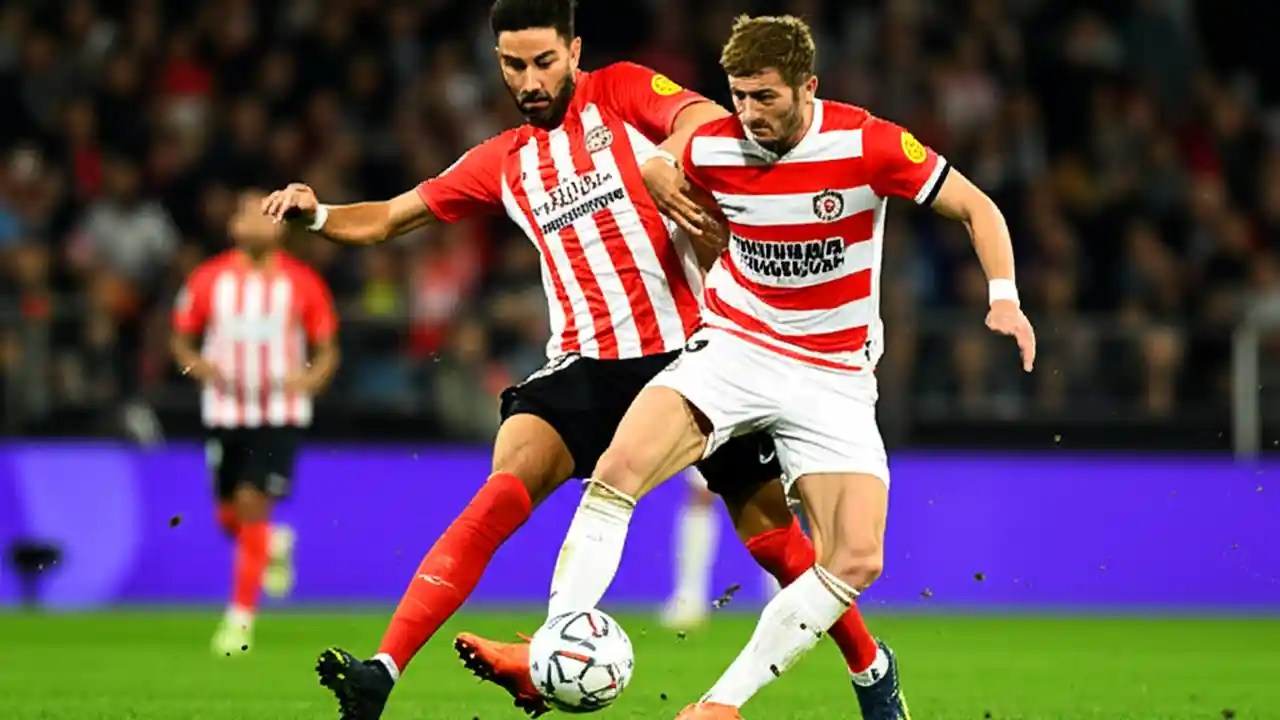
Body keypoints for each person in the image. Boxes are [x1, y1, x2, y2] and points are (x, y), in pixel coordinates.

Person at [264, 1, 889, 717]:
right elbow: (386, 217)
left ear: (574, 50)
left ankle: (872, 671)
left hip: (699, 355)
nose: (529, 80)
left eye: (543, 62)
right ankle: (384, 668)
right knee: (502, 491)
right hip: (587, 364)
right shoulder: (501, 161)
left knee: (777, 545)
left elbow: (696, 119)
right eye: (512, 66)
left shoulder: (622, 91)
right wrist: (317, 214)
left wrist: (661, 164)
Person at [462, 13, 1037, 720]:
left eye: (765, 98)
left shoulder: (868, 143)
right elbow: (670, 149)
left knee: (856, 559)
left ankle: (720, 704)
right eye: (737, 96)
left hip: (833, 376)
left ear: (808, 87)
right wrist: (657, 166)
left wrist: (1004, 299)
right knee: (616, 473)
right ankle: (556, 641)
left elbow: (977, 207)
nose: (748, 115)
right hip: (734, 349)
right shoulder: (719, 142)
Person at [171, 188, 340, 656]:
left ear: (281, 226)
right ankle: (273, 544)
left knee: (251, 503)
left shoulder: (303, 283)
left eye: (266, 214)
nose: (257, 222)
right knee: (230, 515)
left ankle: (239, 620)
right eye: (247, 213)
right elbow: (182, 341)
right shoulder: (208, 280)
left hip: (277, 415)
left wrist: (310, 383)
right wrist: (196, 367)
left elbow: (327, 350)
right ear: (233, 225)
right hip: (225, 410)